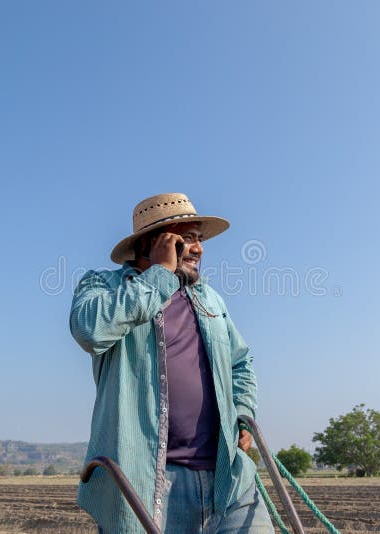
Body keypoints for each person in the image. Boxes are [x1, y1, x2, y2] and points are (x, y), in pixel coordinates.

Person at [70, 193, 274, 533]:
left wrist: (242, 409)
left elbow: (241, 362)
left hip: (227, 475)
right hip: (150, 481)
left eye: (199, 239)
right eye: (188, 238)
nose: (200, 248)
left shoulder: (209, 298)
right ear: (154, 243)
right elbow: (90, 331)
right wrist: (162, 274)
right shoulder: (104, 286)